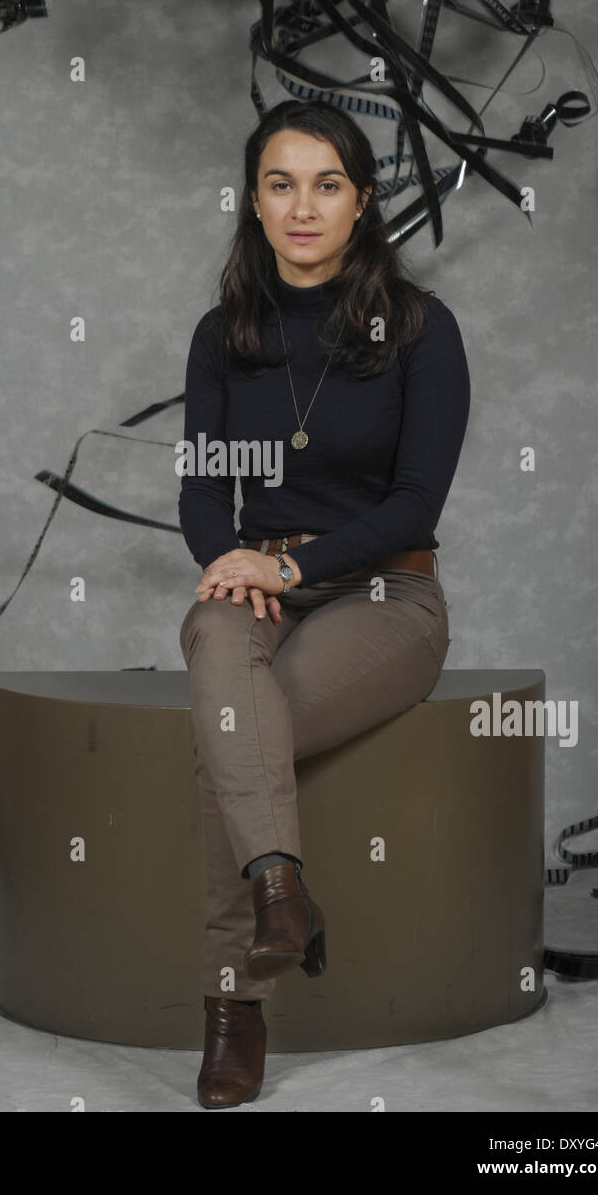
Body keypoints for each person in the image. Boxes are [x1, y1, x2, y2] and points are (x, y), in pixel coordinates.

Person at [177, 98, 471, 1109]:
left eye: (327, 183)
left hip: (385, 593)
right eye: (279, 183)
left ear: (362, 203)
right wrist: (229, 563)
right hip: (257, 587)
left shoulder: (422, 331)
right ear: (253, 204)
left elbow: (414, 504)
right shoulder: (225, 334)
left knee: (232, 739)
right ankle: (282, 894)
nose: (303, 207)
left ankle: (233, 1008)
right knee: (215, 641)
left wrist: (289, 571)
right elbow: (198, 492)